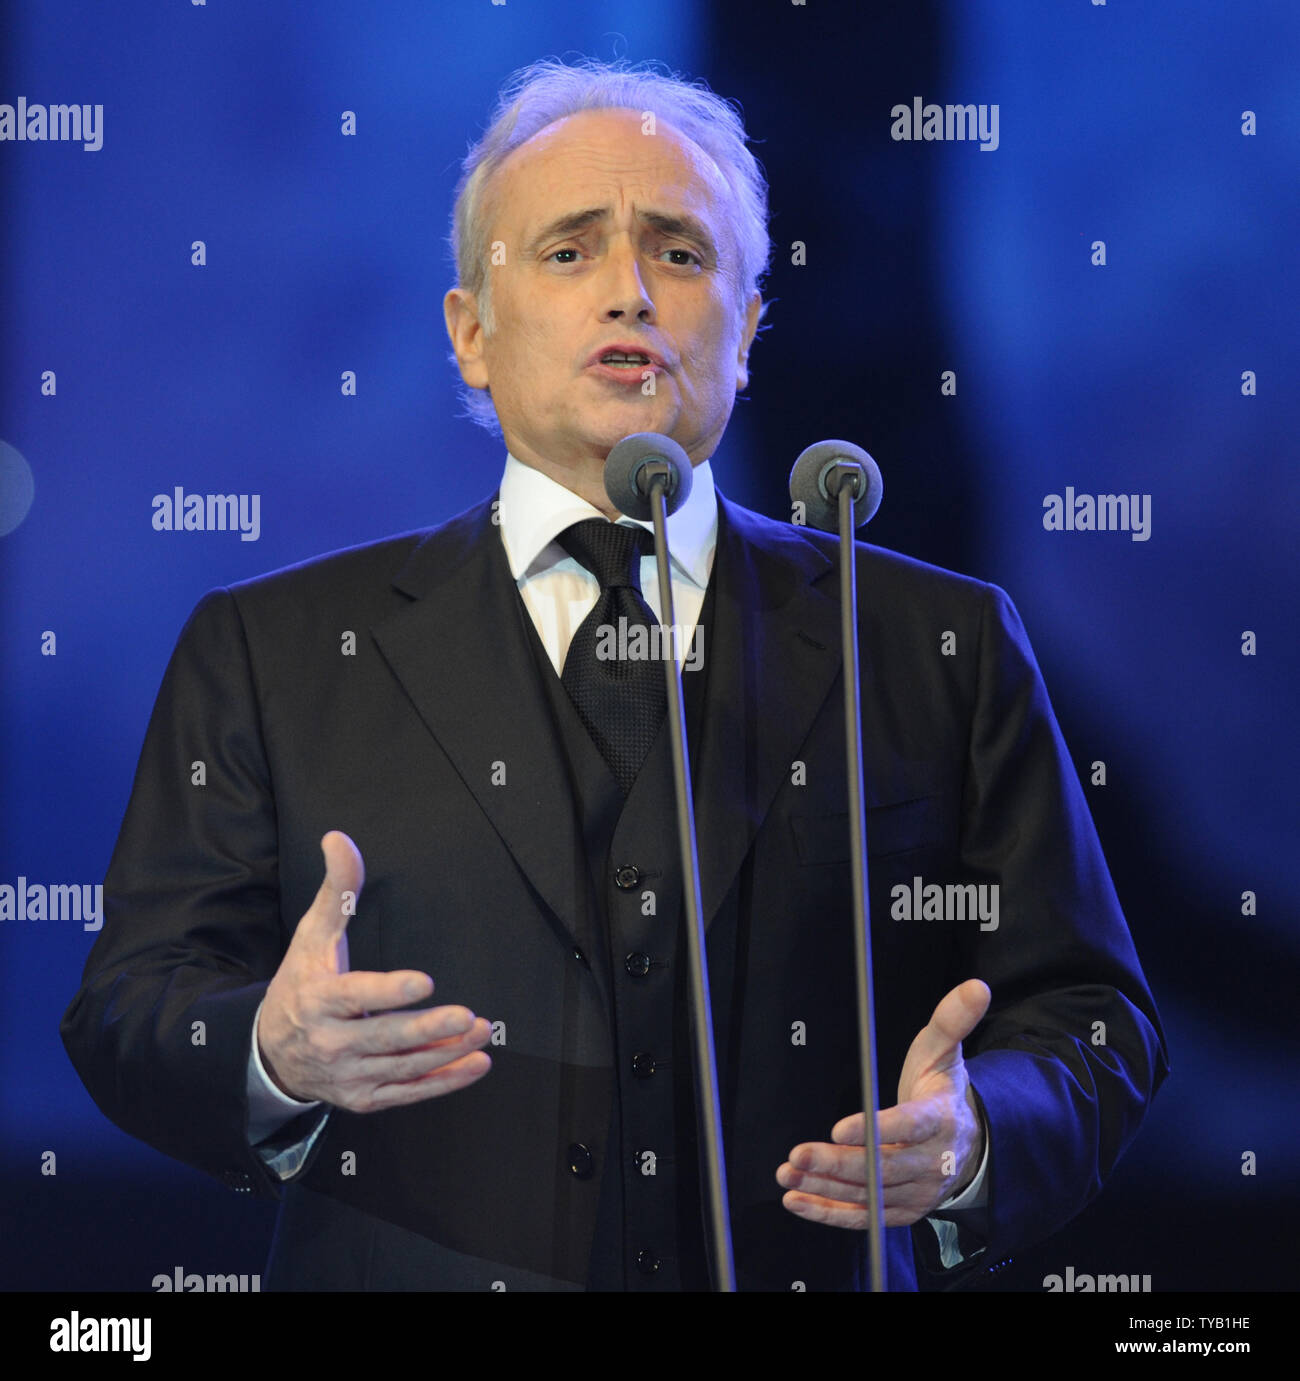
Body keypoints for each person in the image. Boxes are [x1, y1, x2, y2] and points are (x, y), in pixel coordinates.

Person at [61, 58, 1168, 1291]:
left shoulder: (933, 640)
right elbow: (130, 1007)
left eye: (681, 254)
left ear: (746, 333)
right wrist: (271, 1052)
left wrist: (973, 1139)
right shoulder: (270, 649)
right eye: (570, 251)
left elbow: (1088, 1016)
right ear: (472, 334)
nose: (631, 292)